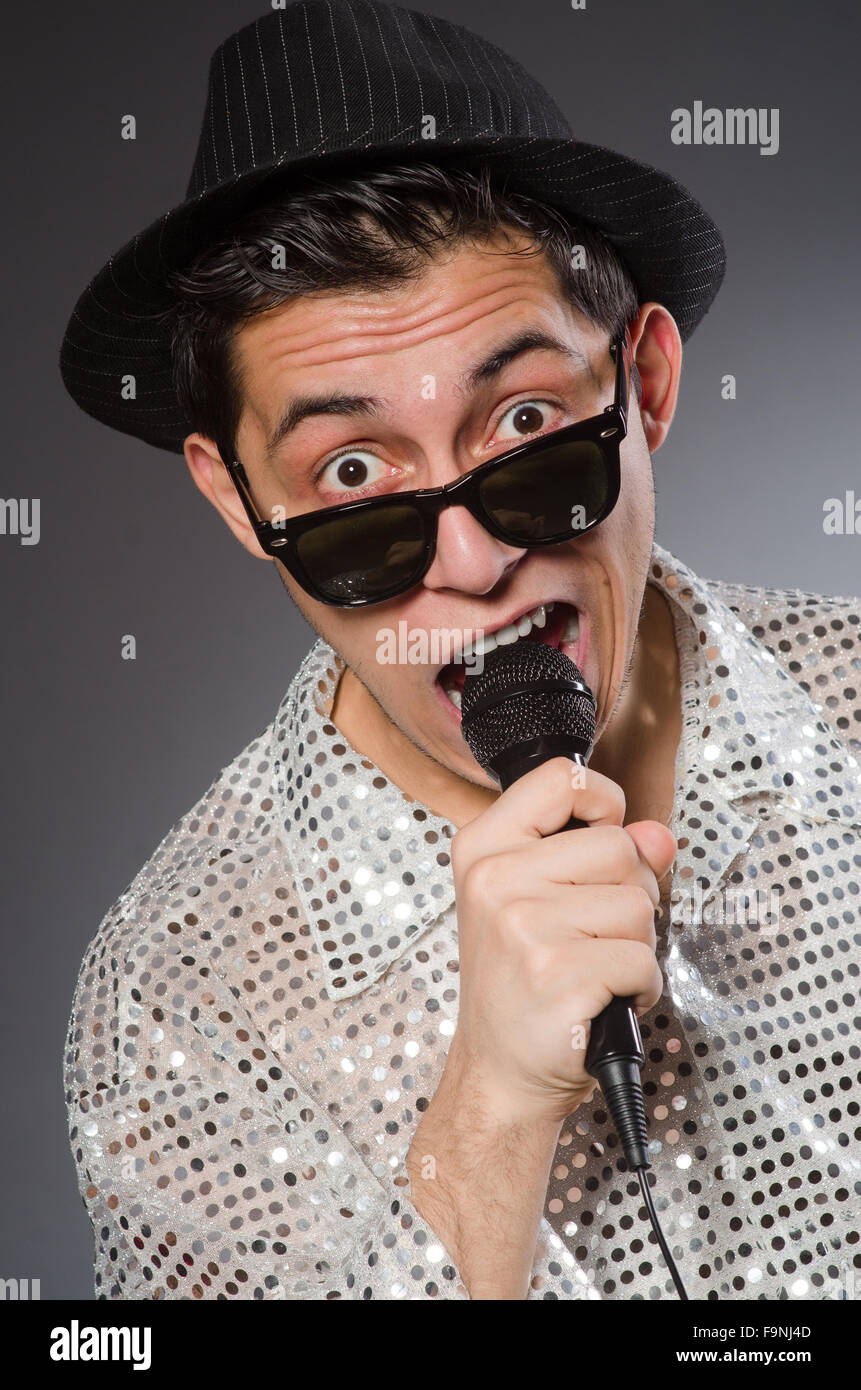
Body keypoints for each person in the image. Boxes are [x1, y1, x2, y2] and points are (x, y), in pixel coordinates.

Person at [60, 1, 860, 1300]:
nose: (473, 564)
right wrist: (484, 1112)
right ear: (238, 502)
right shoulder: (183, 990)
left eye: (525, 420)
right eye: (355, 470)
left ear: (645, 385)